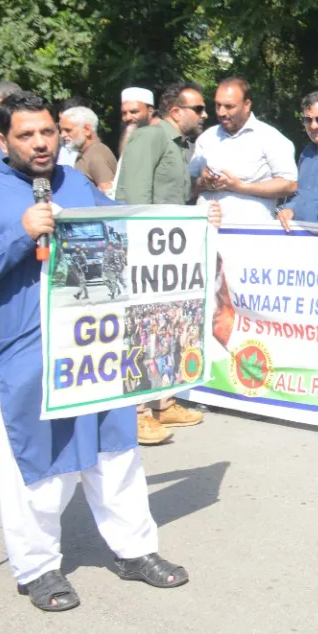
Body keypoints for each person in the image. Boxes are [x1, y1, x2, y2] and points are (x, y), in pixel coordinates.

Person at [0, 92, 191, 611]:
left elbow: (134, 226)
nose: (41, 143)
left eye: (48, 131)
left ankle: (134, 550)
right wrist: (21, 236)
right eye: (26, 135)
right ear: (3, 141)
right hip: (28, 355)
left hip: (96, 346)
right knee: (39, 466)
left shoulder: (78, 184)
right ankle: (38, 569)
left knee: (116, 452)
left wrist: (192, 224)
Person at [114, 83, 213, 444]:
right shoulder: (151, 138)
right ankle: (134, 414)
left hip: (169, 255)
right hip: (145, 254)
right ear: (175, 112)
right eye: (198, 109)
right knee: (138, 331)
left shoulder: (179, 146)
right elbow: (135, 197)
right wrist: (140, 249)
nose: (204, 115)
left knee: (164, 328)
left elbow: (175, 195)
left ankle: (161, 402)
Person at [189, 77, 297, 225]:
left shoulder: (270, 138)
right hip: (206, 231)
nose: (221, 112)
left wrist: (240, 187)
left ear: (247, 105)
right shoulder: (207, 137)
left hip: (248, 235)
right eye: (218, 105)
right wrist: (203, 182)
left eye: (229, 106)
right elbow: (189, 186)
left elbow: (289, 185)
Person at [277, 91, 318, 229]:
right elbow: (300, 193)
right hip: (302, 238)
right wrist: (289, 209)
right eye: (308, 120)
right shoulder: (306, 153)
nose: (313, 126)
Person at [57, 106, 118, 194]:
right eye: (61, 130)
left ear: (87, 130)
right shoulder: (87, 152)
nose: (62, 135)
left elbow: (109, 195)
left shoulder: (97, 156)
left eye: (68, 130)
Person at [117, 87, 156, 155]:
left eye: (134, 112)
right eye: (124, 113)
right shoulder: (127, 134)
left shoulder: (162, 137)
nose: (128, 118)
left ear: (150, 111)